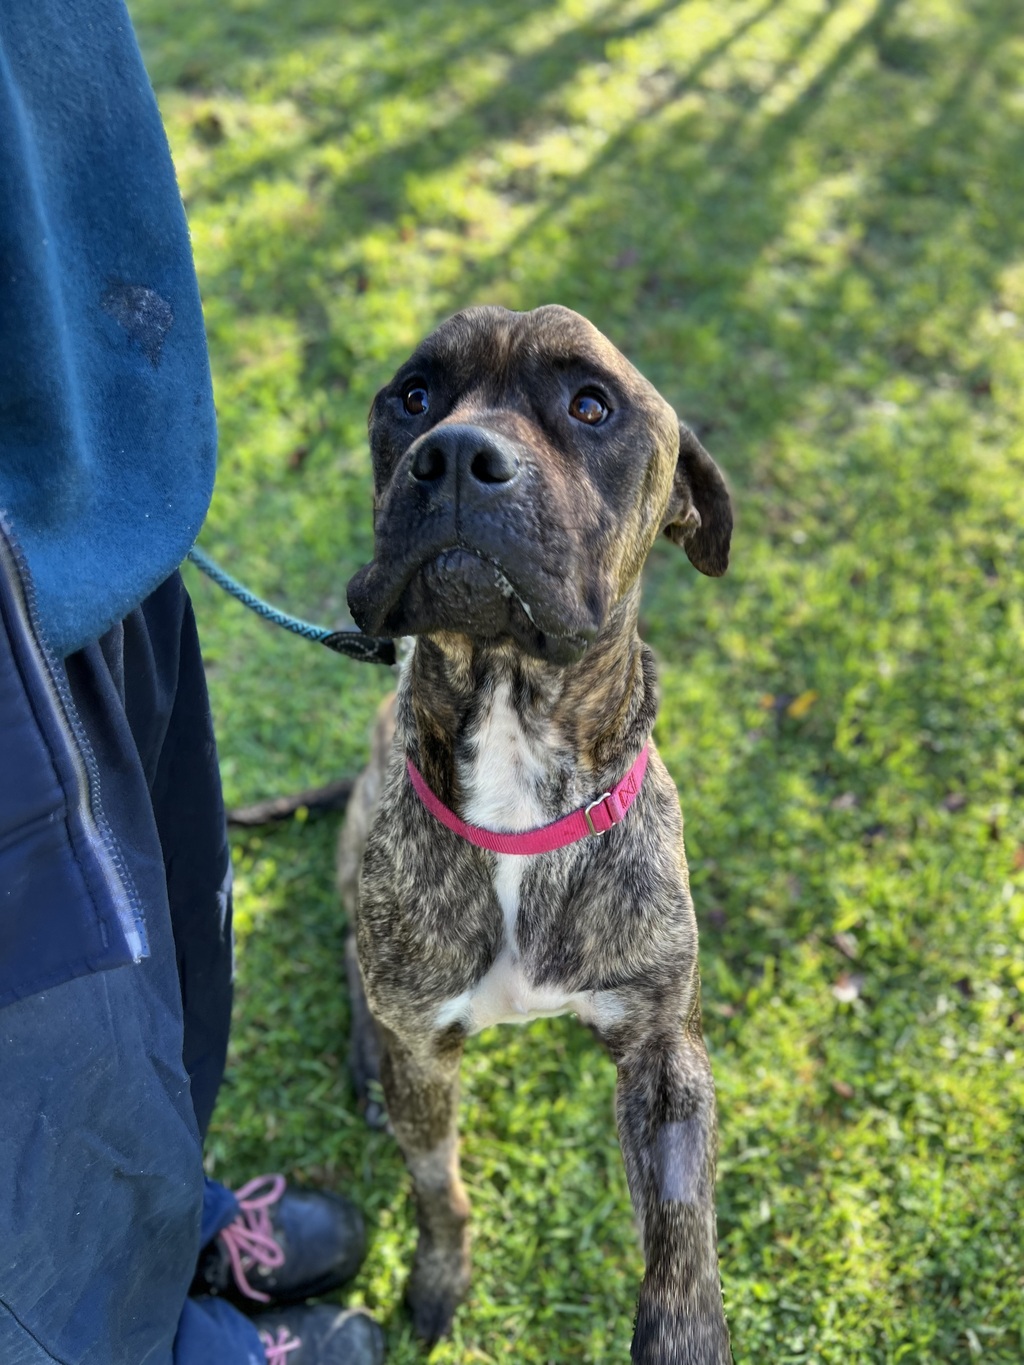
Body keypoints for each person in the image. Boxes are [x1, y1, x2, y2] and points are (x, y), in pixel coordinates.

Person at [0, 3, 384, 1362]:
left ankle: (160, 1224)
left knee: (161, 946)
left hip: (83, 449)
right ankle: (131, 1334)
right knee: (26, 1064)